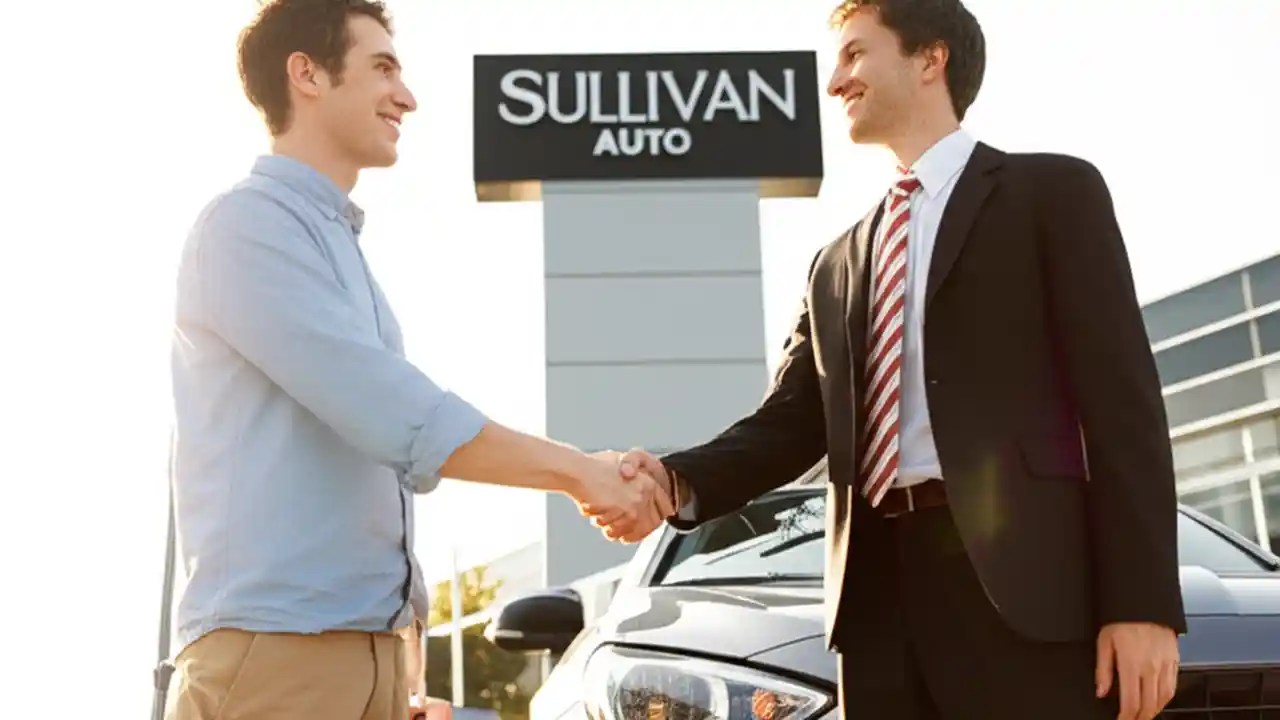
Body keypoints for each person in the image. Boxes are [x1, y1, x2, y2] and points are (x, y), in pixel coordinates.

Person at [593, 1, 1186, 718]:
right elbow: (788, 424)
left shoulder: (1052, 195)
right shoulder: (835, 262)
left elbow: (1123, 408)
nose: (835, 81)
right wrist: (672, 481)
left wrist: (1143, 604)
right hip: (875, 604)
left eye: (855, 54)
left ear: (930, 58)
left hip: (1024, 595)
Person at [166, 1, 670, 719]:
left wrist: (393, 669)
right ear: (307, 74)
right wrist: (581, 473)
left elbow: (369, 462)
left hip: (358, 658)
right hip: (276, 659)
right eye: (382, 68)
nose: (405, 97)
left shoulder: (331, 243)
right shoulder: (246, 228)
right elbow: (394, 414)